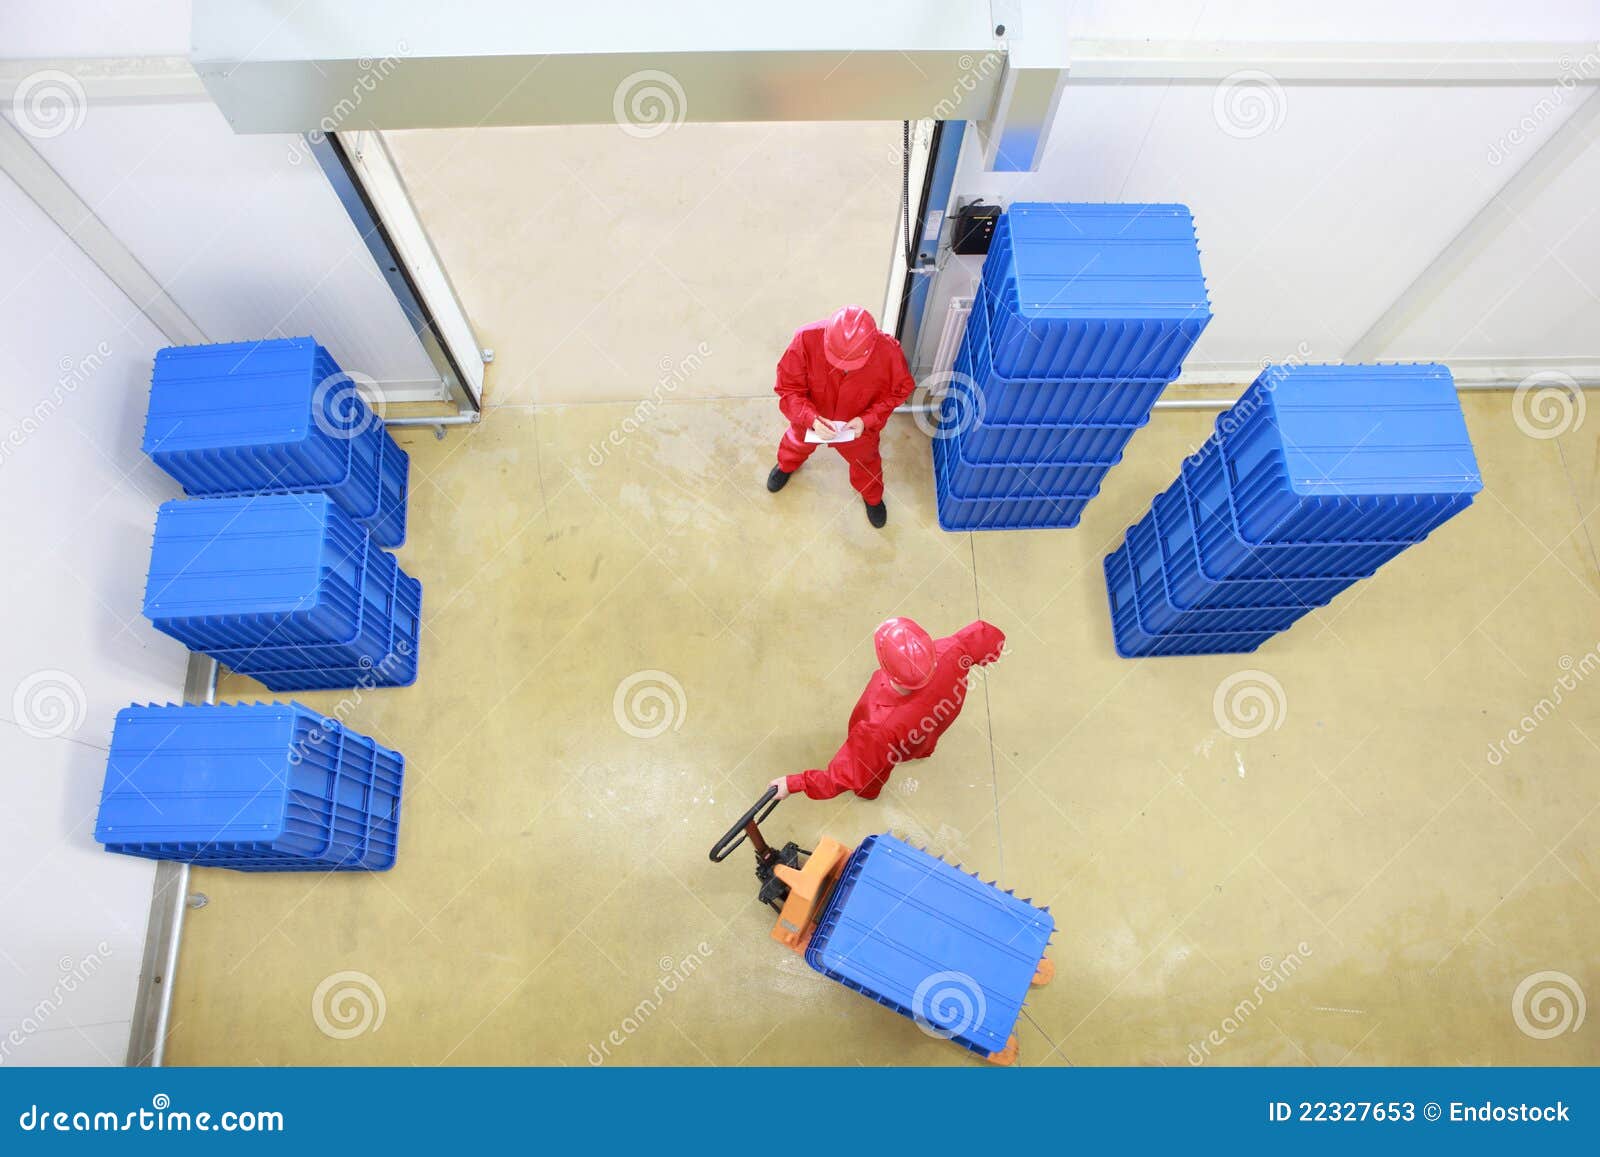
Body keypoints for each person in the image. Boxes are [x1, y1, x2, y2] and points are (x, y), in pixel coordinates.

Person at [769, 617, 1006, 801]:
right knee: (920, 741)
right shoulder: (949, 651)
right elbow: (980, 638)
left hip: (887, 743)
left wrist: (793, 783)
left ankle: (867, 792)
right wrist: (994, 651)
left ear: (886, 666)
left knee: (869, 773)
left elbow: (842, 776)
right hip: (927, 729)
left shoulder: (877, 727)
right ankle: (922, 751)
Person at [766, 305, 916, 528]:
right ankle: (786, 465)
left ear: (871, 346)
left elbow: (900, 391)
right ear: (826, 340)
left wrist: (868, 419)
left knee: (866, 461)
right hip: (810, 419)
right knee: (795, 443)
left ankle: (872, 497)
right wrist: (810, 418)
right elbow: (788, 389)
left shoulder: (889, 352)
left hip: (857, 427)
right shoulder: (805, 340)